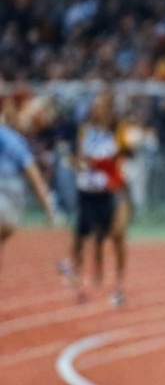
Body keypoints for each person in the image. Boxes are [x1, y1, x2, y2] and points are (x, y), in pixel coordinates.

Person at [70, 93, 131, 305]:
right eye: (95, 106)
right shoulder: (85, 131)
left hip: (111, 192)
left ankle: (118, 286)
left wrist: (101, 164)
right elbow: (79, 160)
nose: (98, 110)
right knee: (83, 238)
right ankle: (82, 286)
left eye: (103, 106)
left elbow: (123, 159)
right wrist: (78, 164)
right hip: (88, 191)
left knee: (116, 237)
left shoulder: (119, 132)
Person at [0, 95, 59, 287]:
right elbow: (33, 175)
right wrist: (48, 207)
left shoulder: (14, 141)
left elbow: (33, 174)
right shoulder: (14, 140)